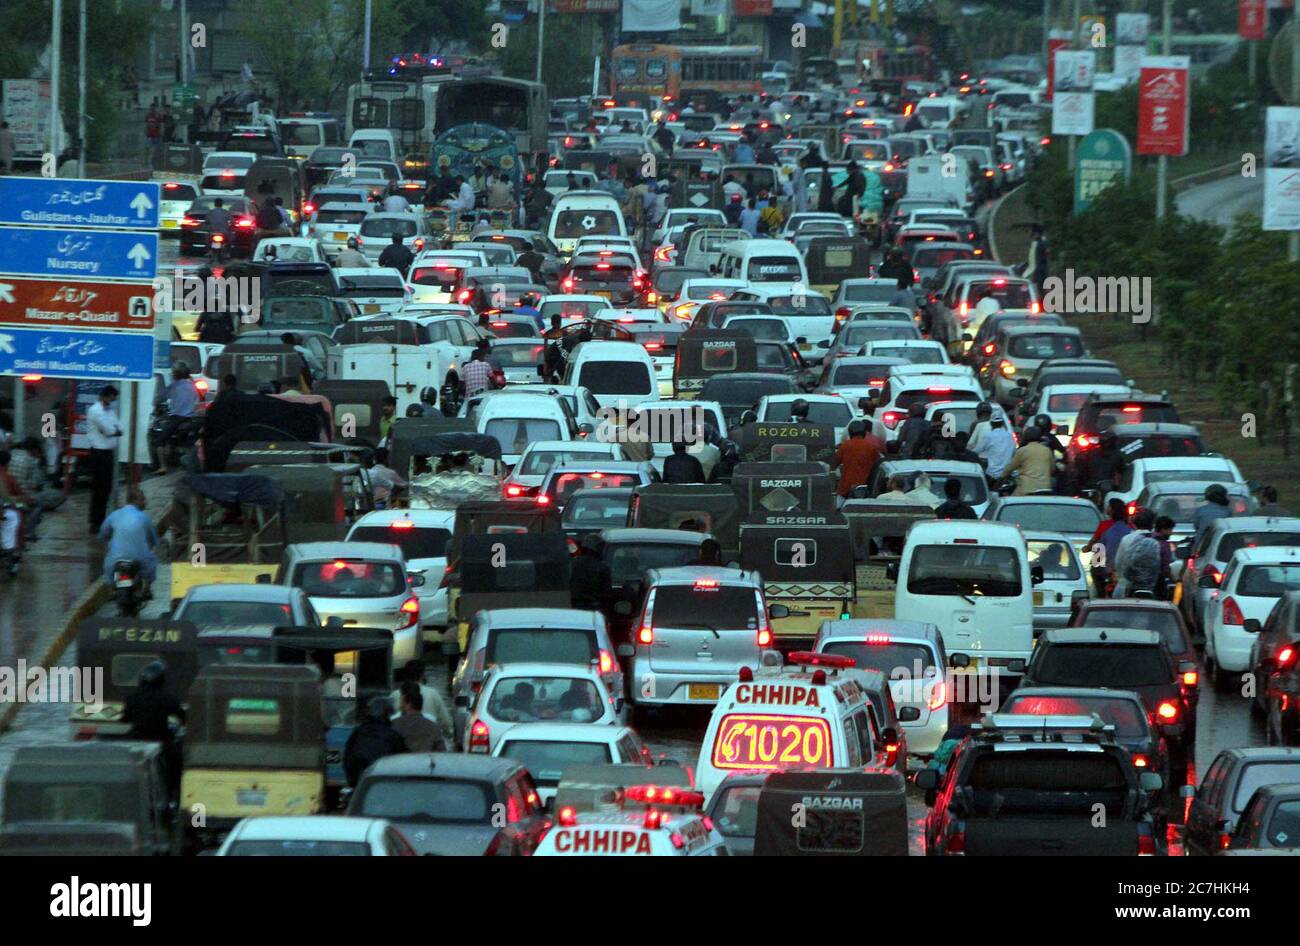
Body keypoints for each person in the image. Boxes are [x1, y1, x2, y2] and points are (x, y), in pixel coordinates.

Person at [122, 660, 186, 799]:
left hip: (137, 741)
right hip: (161, 742)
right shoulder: (168, 698)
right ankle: (173, 796)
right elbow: (182, 716)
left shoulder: (132, 697)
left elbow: (125, 718)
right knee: (177, 764)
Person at [99, 488, 158, 591]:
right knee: (151, 563)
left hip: (115, 561)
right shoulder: (144, 517)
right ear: (135, 500)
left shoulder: (114, 515)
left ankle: (112, 589)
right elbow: (153, 540)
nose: (145, 503)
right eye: (143, 499)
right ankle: (147, 589)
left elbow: (103, 534)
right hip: (139, 559)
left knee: (108, 572)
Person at [149, 363, 202, 474]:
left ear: (176, 374)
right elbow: (199, 400)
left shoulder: (175, 386)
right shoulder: (193, 385)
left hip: (177, 417)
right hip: (192, 418)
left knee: (160, 440)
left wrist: (155, 403)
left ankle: (163, 466)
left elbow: (159, 398)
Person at [343, 697, 408, 787]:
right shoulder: (392, 735)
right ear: (386, 714)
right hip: (385, 784)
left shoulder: (358, 732)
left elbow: (347, 759)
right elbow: (404, 760)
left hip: (359, 784)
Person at [86, 385, 122, 533]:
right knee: (99, 489)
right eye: (112, 398)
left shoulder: (110, 410)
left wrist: (114, 431)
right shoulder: (96, 411)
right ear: (106, 396)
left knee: (106, 489)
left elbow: (119, 428)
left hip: (108, 453)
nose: (113, 401)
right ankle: (95, 521)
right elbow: (109, 430)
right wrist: (114, 431)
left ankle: (101, 519)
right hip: (99, 453)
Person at [1088, 499, 1133, 596]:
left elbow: (1096, 545)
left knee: (1095, 570)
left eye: (1108, 506)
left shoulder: (1105, 526)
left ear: (1112, 510)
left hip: (1109, 568)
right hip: (1124, 568)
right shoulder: (1130, 528)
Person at [1113, 509, 1162, 598]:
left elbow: (1118, 563)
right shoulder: (1156, 542)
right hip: (1149, 589)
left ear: (1135, 523)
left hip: (1126, 587)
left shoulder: (1126, 539)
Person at [10, 437, 63, 513]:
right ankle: (32, 506)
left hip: (10, 495)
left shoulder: (11, 454)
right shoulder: (32, 460)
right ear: (35, 450)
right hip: (26, 496)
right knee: (58, 495)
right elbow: (35, 484)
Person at [833, 420, 884, 499]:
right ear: (864, 432)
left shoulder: (845, 446)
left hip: (845, 488)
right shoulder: (870, 447)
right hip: (864, 489)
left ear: (850, 432)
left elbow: (834, 463)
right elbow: (879, 464)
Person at [391, 681, 446, 752]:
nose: (400, 704)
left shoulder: (395, 725)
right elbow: (441, 751)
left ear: (408, 704)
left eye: (401, 701)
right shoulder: (433, 726)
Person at [1003, 424, 1054, 495]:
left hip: (1027, 489)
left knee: (1012, 500)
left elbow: (1010, 468)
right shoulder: (1047, 450)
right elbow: (1052, 469)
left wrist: (1001, 477)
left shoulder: (1022, 450)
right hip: (1045, 488)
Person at [1074, 428, 1126, 494]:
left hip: (1102, 487)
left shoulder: (1117, 456)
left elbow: (1123, 472)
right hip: (1091, 487)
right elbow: (1081, 473)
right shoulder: (1089, 454)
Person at [570, 532, 612, 611]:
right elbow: (606, 594)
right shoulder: (602, 567)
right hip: (594, 607)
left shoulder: (573, 564)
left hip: (574, 606)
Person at [975, 414, 1016, 479]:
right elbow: (1014, 452)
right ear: (1002, 423)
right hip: (1008, 474)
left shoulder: (989, 436)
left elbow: (975, 451)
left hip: (993, 474)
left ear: (991, 424)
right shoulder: (1010, 436)